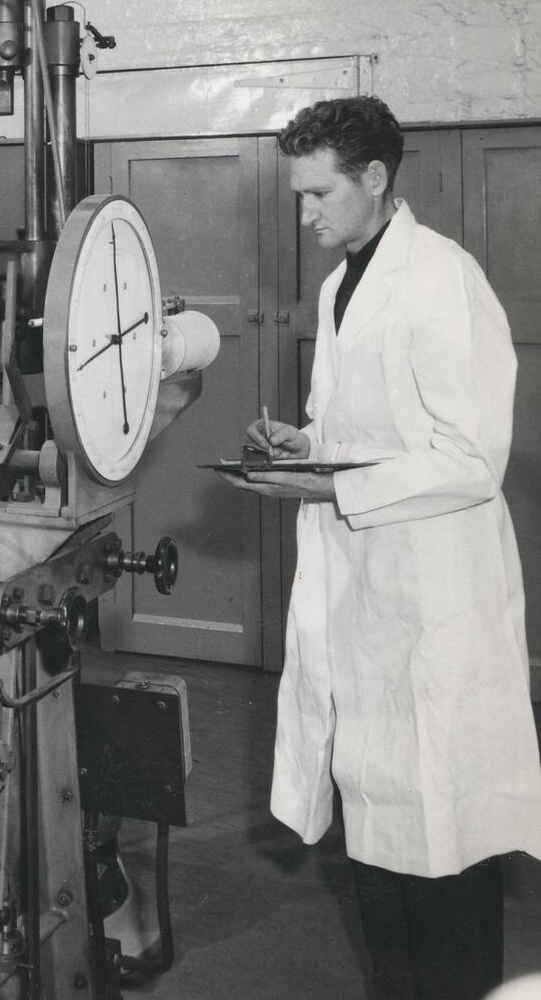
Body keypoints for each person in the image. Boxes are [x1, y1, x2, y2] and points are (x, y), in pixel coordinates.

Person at [217, 96, 541, 999]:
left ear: (375, 179)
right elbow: (365, 428)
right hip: (364, 592)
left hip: (433, 597)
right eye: (298, 194)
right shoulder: (340, 284)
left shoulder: (443, 277)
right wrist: (306, 445)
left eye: (319, 193)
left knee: (442, 840)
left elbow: (471, 455)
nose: (305, 212)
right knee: (377, 833)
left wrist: (334, 486)